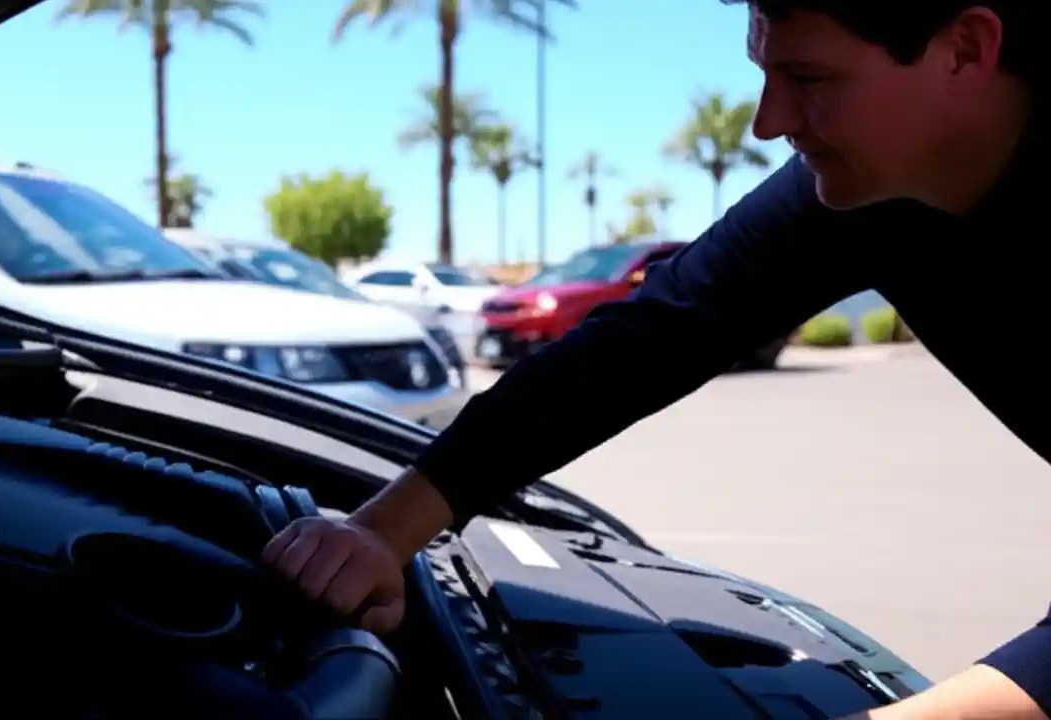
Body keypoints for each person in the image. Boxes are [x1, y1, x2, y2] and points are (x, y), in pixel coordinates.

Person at [262, 2, 1050, 718]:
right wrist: (384, 531)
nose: (768, 122)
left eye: (807, 77)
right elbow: (651, 335)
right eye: (764, 72)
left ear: (966, 49)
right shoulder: (860, 194)